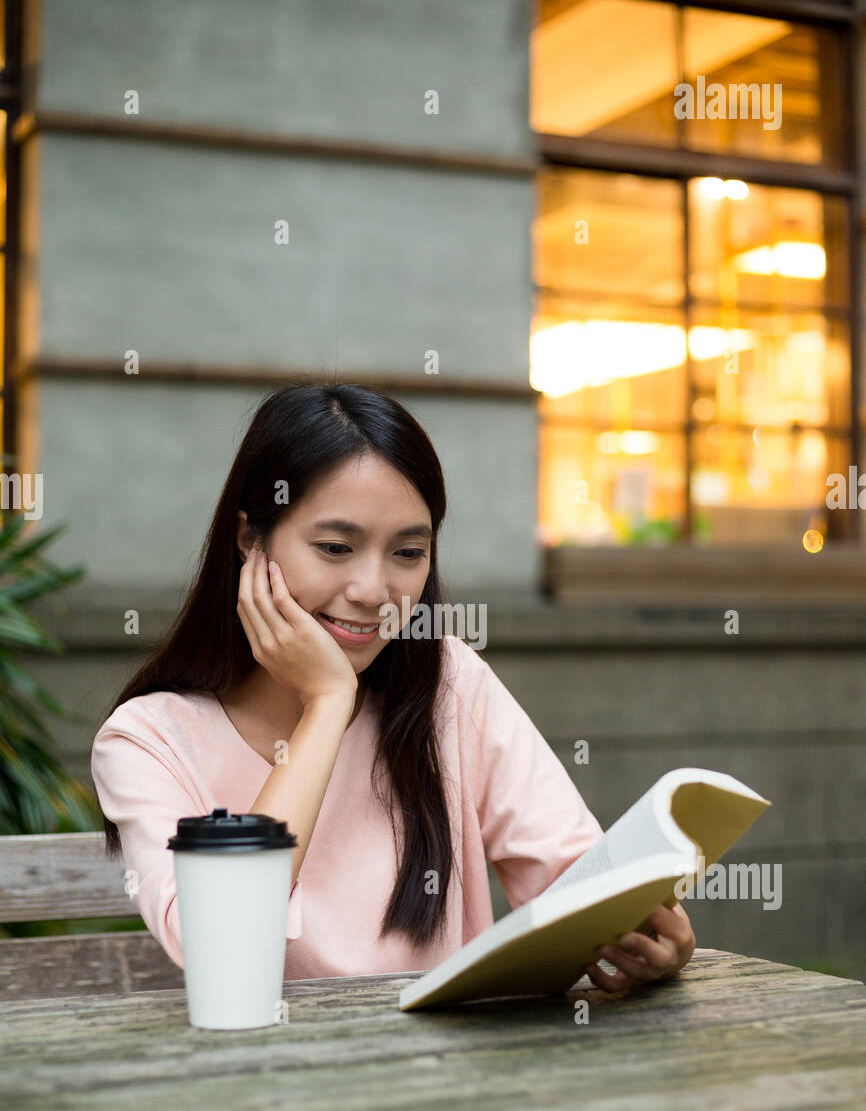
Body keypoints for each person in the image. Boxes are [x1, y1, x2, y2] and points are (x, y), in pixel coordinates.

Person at [91, 381, 695, 989]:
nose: (373, 591)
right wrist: (326, 705)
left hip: (443, 1073)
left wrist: (641, 936)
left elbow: (577, 881)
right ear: (250, 540)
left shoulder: (449, 683)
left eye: (408, 553)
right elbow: (220, 944)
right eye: (335, 547)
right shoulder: (147, 741)